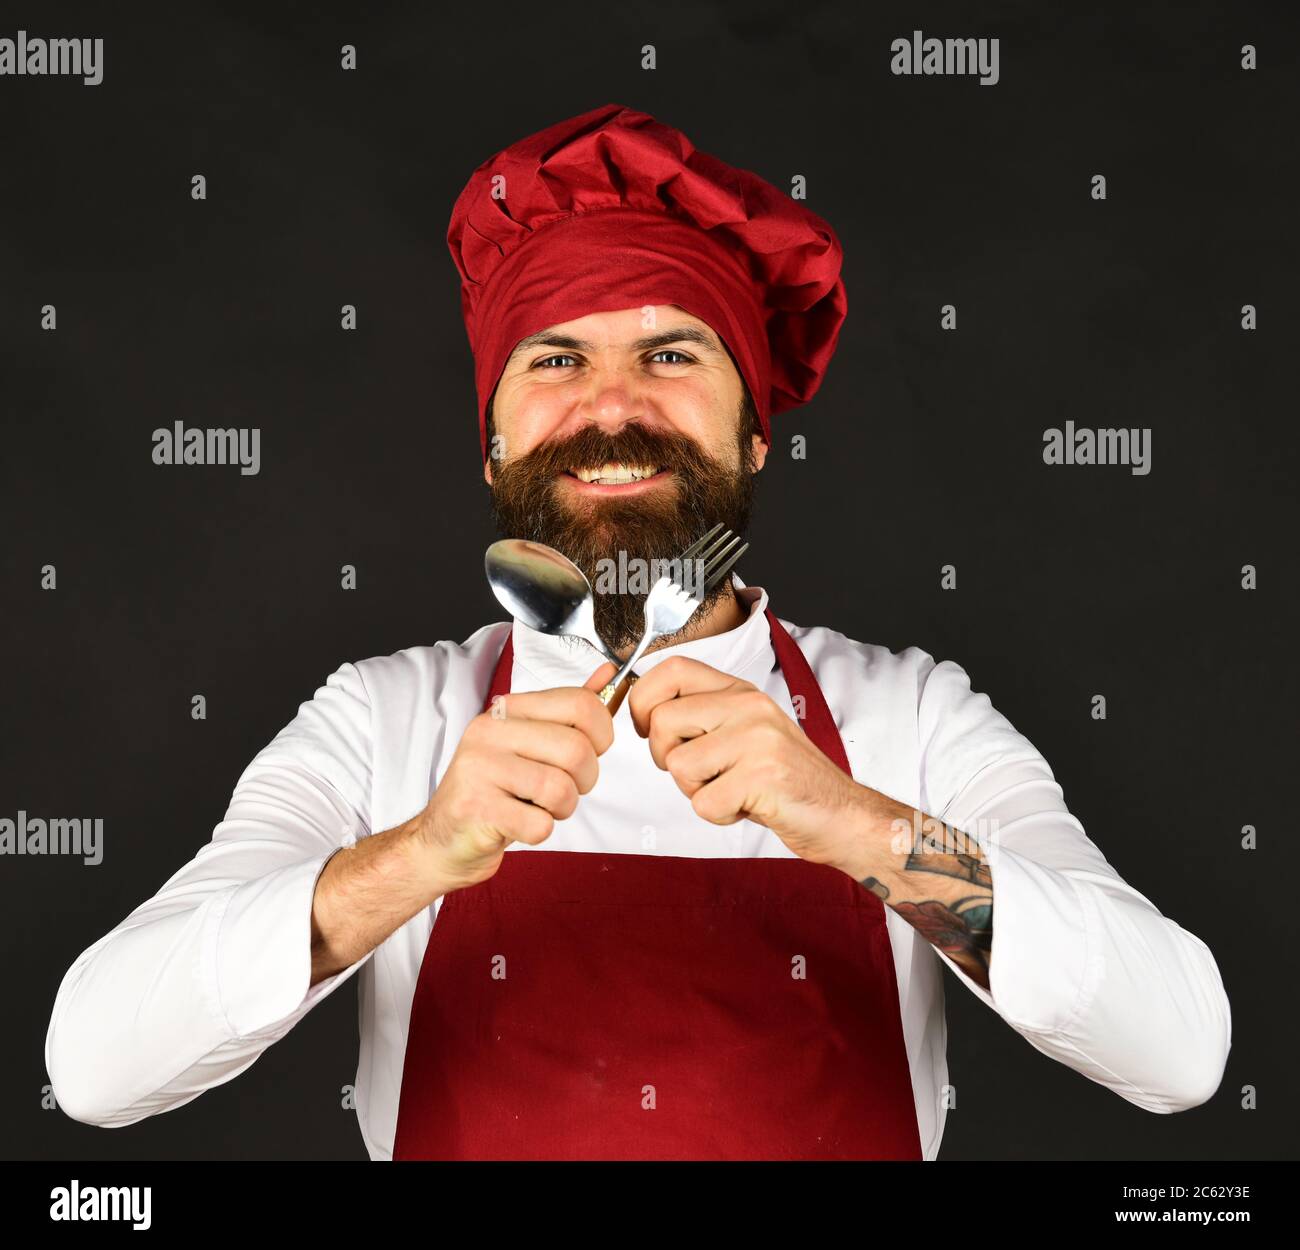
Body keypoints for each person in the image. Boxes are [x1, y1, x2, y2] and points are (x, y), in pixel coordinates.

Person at [45, 103, 1231, 1160]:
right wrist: (417, 853)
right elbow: (96, 1069)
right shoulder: (386, 721)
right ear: (494, 439)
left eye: (671, 354)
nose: (612, 406)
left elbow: (1178, 1050)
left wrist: (850, 819)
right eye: (556, 358)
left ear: (755, 431)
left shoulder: (907, 719)